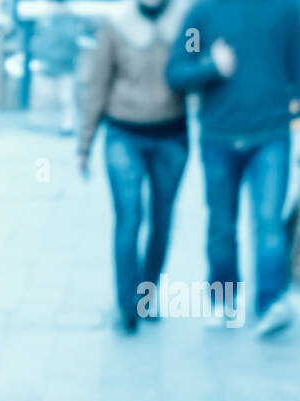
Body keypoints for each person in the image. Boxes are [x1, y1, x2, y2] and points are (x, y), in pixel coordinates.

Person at [167, 0, 300, 336]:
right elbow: (178, 70)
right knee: (222, 227)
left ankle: (271, 303)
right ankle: (223, 302)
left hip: (272, 136)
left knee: (268, 223)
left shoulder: (283, 10)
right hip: (217, 138)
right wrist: (211, 66)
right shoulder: (201, 14)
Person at [77, 0, 190, 333]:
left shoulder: (187, 23)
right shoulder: (116, 25)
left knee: (162, 219)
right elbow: (98, 84)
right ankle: (126, 304)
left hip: (171, 134)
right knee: (129, 217)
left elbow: (197, 64)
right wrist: (84, 144)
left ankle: (147, 296)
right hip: (123, 132)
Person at [32, 0, 85, 136]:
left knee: (66, 98)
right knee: (60, 97)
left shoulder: (63, 21)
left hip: (63, 65)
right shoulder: (51, 21)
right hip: (56, 64)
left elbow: (71, 41)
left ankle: (66, 125)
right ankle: (62, 124)